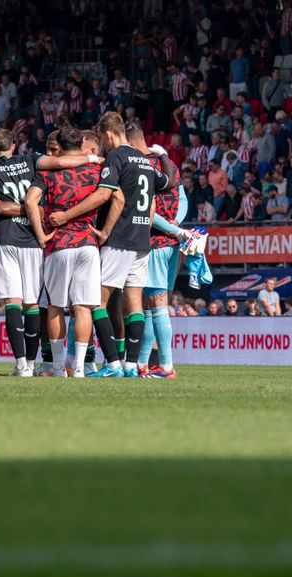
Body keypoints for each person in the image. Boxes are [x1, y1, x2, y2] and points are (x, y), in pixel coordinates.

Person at [0, 127, 96, 376]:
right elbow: (62, 160)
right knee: (32, 305)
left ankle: (21, 366)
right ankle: (31, 363)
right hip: (32, 240)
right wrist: (92, 158)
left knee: (12, 303)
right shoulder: (30, 160)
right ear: (14, 146)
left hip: (6, 240)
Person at [54, 112, 177, 378]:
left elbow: (107, 194)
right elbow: (168, 183)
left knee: (96, 302)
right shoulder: (144, 160)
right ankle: (131, 366)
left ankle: (112, 364)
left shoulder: (117, 157)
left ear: (108, 135)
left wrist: (75, 218)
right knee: (134, 303)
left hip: (120, 238)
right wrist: (164, 155)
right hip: (143, 240)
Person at [26, 126, 103, 378]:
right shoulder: (97, 170)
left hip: (58, 244)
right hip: (88, 243)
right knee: (82, 308)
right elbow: (114, 196)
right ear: (82, 141)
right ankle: (80, 367)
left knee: (56, 307)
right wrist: (105, 231)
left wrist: (40, 235)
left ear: (58, 145)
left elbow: (30, 201)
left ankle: (58, 368)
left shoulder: (47, 172)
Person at [125, 124, 191, 379]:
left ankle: (166, 366)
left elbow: (148, 214)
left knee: (155, 305)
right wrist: (177, 223)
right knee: (154, 306)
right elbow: (183, 198)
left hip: (154, 243)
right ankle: (143, 363)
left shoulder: (137, 167)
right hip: (173, 246)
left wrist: (171, 229)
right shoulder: (169, 165)